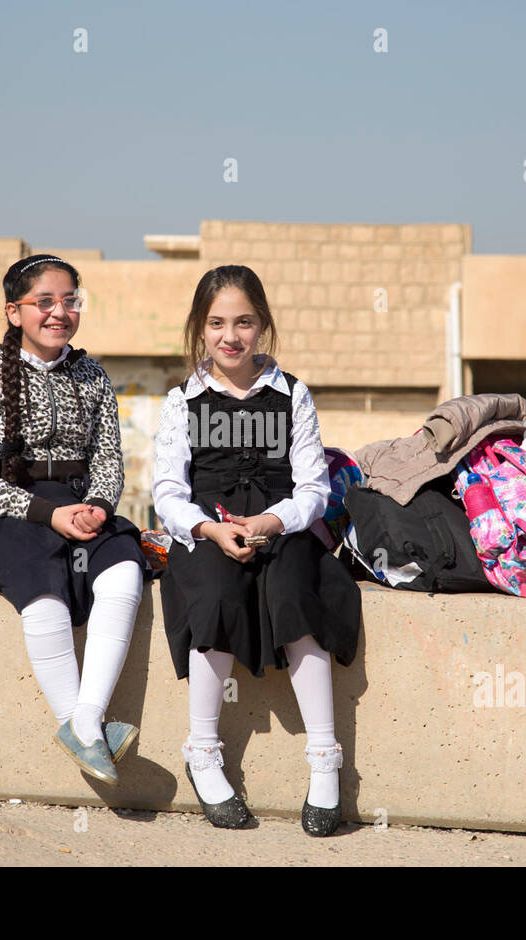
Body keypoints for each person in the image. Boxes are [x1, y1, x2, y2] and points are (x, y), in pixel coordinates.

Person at [152, 264, 361, 836]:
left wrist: (272, 521)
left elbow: (314, 488)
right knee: (216, 594)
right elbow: (167, 492)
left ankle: (326, 759)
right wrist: (211, 530)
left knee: (296, 594)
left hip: (282, 525)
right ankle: (202, 750)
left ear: (262, 325)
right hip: (209, 530)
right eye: (217, 322)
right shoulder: (181, 402)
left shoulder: (292, 393)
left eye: (244, 322)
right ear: (200, 328)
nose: (231, 335)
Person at [0, 253, 145, 786]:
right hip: (10, 512)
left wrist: (98, 509)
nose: (60, 313)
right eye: (45, 302)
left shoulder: (93, 375)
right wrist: (47, 513)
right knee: (44, 588)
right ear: (14, 312)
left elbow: (108, 460)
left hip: (83, 507)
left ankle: (83, 722)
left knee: (125, 571)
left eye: (70, 301)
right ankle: (86, 728)